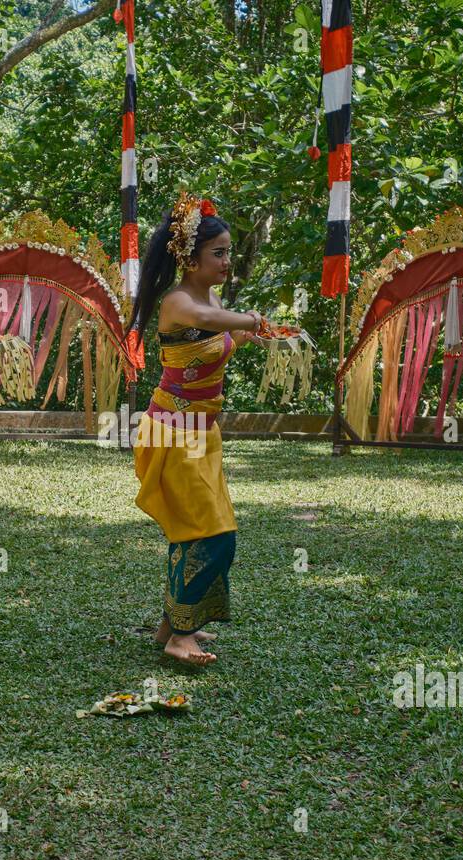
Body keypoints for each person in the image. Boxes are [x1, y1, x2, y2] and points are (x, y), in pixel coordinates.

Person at [129, 193, 264, 666]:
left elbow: (214, 342)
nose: (227, 261)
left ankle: (173, 627)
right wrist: (252, 319)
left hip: (202, 434)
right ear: (190, 258)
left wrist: (251, 336)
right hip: (171, 433)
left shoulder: (212, 300)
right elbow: (206, 322)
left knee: (194, 532)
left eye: (229, 252)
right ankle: (180, 636)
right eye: (219, 253)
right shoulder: (179, 302)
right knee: (213, 534)